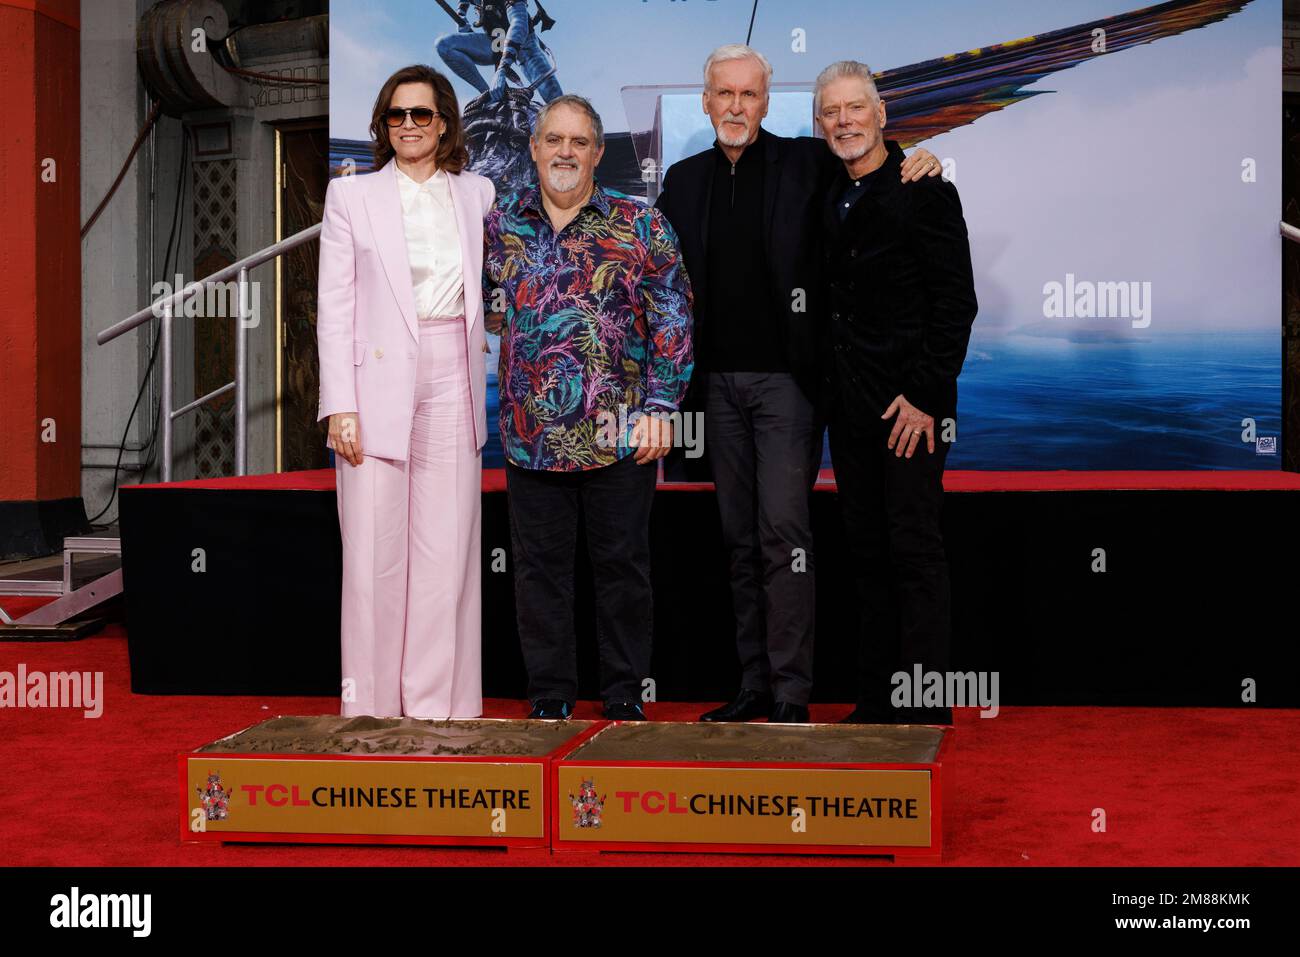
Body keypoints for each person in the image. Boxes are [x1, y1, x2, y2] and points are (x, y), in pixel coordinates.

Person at [654, 44, 941, 724]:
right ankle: (753, 685)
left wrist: (917, 159)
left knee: (785, 533)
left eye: (748, 94)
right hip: (713, 390)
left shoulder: (807, 163)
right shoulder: (682, 180)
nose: (734, 106)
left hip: (788, 384)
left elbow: (870, 160)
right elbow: (655, 273)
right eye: (723, 94)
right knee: (738, 538)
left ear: (766, 100)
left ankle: (790, 694)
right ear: (705, 100)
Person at [483, 94, 693, 721]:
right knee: (538, 575)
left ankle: (625, 694)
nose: (565, 152)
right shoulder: (500, 224)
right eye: (554, 140)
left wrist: (662, 403)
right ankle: (550, 697)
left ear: (598, 153)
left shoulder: (640, 222)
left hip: (621, 433)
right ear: (534, 147)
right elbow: (489, 308)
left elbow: (673, 314)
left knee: (622, 572)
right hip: (531, 438)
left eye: (579, 142)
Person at [316, 65, 496, 718]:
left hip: (454, 371)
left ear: (444, 122)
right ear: (382, 125)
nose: (410, 126)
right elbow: (334, 307)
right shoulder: (351, 198)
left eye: (422, 114)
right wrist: (340, 403)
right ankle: (370, 710)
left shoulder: (478, 193)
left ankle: (438, 710)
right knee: (372, 558)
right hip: (374, 382)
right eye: (398, 115)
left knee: (446, 555)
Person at [814, 60, 977, 725]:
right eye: (831, 111)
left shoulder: (925, 189)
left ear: (881, 115)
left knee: (914, 550)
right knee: (868, 553)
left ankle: (925, 707)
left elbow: (955, 304)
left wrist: (924, 396)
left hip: (912, 409)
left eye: (856, 108)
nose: (845, 120)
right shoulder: (827, 189)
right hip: (851, 410)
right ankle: (877, 701)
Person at [435, 0, 562, 104]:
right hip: (496, 41)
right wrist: (462, 19)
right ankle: (490, 97)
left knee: (557, 101)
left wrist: (502, 70)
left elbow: (519, 24)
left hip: (525, 44)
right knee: (444, 45)